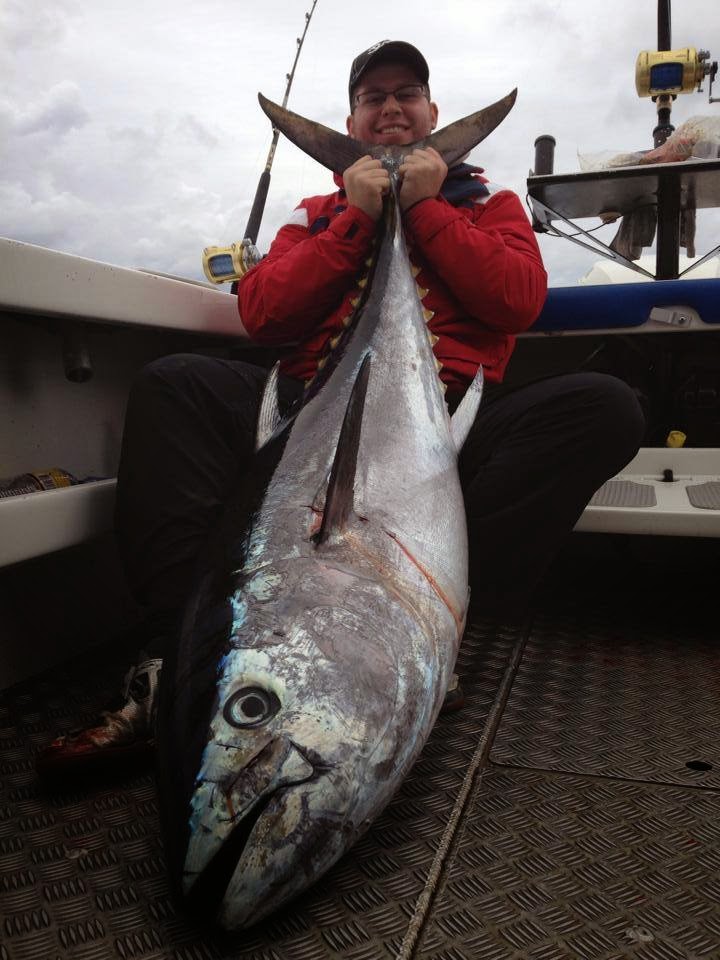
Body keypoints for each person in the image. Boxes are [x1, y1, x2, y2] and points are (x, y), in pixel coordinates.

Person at [36, 41, 644, 777]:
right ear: (353, 119)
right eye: (373, 97)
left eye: (407, 93)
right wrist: (357, 216)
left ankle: (435, 629)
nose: (390, 108)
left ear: (433, 113)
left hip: (452, 422)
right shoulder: (320, 213)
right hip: (307, 415)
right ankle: (175, 653)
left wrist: (423, 206)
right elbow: (262, 313)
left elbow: (516, 299)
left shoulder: (491, 207)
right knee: (179, 382)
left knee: (604, 407)